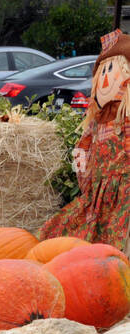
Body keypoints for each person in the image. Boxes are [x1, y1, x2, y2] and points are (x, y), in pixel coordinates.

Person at [41, 29, 130, 250]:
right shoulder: (97, 122)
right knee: (61, 236)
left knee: (118, 247)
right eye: (103, 70)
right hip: (97, 197)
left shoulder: (126, 121)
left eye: (113, 69)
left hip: (125, 199)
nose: (106, 77)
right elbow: (83, 149)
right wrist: (81, 165)